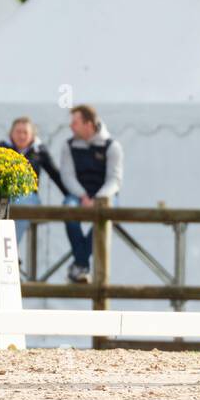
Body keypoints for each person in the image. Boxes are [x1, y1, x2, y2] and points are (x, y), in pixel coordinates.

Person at [57, 105, 124, 283]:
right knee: (68, 209)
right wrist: (83, 196)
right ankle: (82, 265)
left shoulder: (112, 146)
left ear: (89, 124)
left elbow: (114, 180)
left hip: (105, 198)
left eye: (75, 122)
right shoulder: (68, 145)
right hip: (78, 196)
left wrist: (99, 199)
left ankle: (80, 264)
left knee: (104, 218)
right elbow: (67, 175)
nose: (71, 126)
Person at [0, 116, 65, 257]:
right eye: (18, 131)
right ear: (11, 133)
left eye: (25, 132)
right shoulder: (1, 148)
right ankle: (8, 251)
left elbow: (56, 175)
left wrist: (71, 196)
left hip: (29, 197)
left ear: (32, 135)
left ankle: (9, 250)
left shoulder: (39, 151)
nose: (21, 135)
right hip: (6, 198)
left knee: (21, 205)